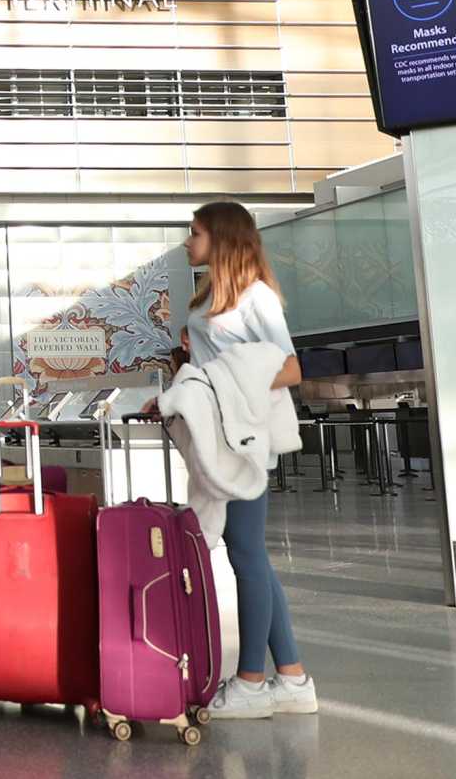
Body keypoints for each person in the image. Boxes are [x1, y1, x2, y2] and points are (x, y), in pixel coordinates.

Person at [171, 201, 317, 720]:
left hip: (244, 444)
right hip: (220, 442)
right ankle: (294, 678)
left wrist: (221, 390)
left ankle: (252, 682)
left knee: (246, 556)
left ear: (222, 239)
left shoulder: (258, 300)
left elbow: (291, 369)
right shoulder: (212, 295)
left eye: (196, 234)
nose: (188, 242)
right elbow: (208, 370)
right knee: (249, 553)